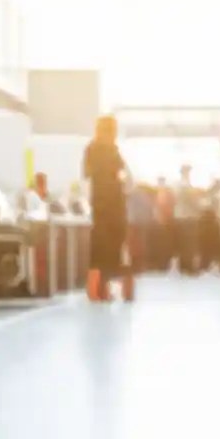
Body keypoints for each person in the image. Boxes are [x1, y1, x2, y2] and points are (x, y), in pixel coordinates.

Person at [82, 115, 134, 302]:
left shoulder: (96, 149)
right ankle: (99, 289)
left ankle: (99, 289)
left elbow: (87, 173)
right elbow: (120, 173)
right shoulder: (105, 150)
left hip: (104, 205)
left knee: (103, 249)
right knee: (110, 248)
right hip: (109, 205)